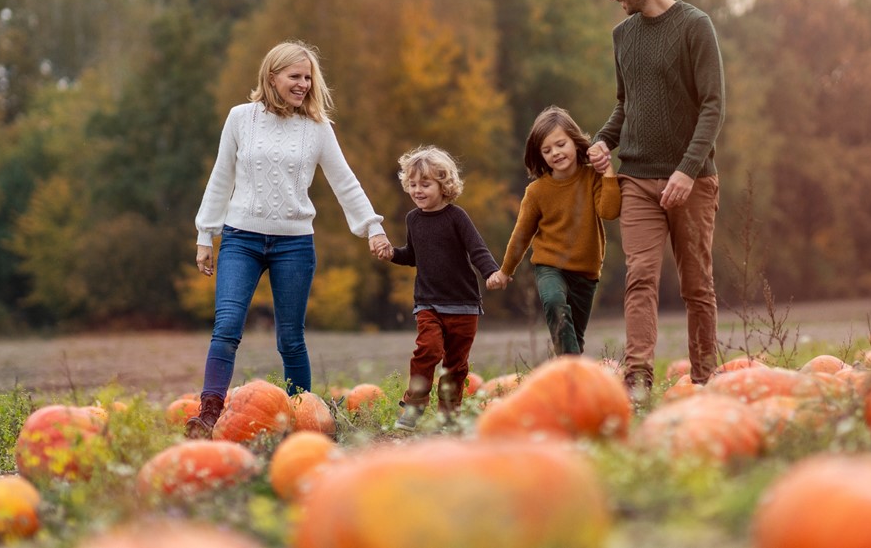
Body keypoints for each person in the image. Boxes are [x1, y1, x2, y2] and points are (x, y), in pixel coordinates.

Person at [187, 40, 392, 439]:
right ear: (272, 76)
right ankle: (209, 414)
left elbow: (344, 180)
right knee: (227, 326)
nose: (303, 84)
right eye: (295, 76)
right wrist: (205, 233)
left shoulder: (317, 128)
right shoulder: (240, 118)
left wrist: (373, 226)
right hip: (241, 239)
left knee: (290, 338)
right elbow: (221, 176)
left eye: (308, 78)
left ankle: (304, 420)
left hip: (294, 245)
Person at [586, 0, 726, 396]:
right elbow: (626, 105)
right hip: (637, 180)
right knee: (640, 278)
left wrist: (687, 170)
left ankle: (704, 379)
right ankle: (638, 379)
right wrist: (603, 141)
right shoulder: (622, 36)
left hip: (693, 181)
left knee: (696, 284)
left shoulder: (694, 26)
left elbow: (712, 106)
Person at [377, 146, 500, 431]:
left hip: (464, 304)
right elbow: (413, 255)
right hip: (428, 302)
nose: (417, 190)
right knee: (427, 350)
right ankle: (414, 406)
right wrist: (392, 254)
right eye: (413, 184)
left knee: (455, 366)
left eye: (425, 184)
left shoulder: (457, 217)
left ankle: (448, 416)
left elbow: (477, 250)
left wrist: (491, 272)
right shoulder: (413, 219)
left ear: (444, 186)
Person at [486, 105, 620, 356]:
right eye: (546, 150)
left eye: (560, 144)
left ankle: (570, 378)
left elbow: (610, 212)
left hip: (586, 272)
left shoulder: (592, 178)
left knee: (574, 338)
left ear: (575, 141)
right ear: (539, 155)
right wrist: (505, 271)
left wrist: (608, 172)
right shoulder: (536, 192)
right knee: (554, 303)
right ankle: (571, 366)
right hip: (550, 266)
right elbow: (521, 236)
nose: (555, 153)